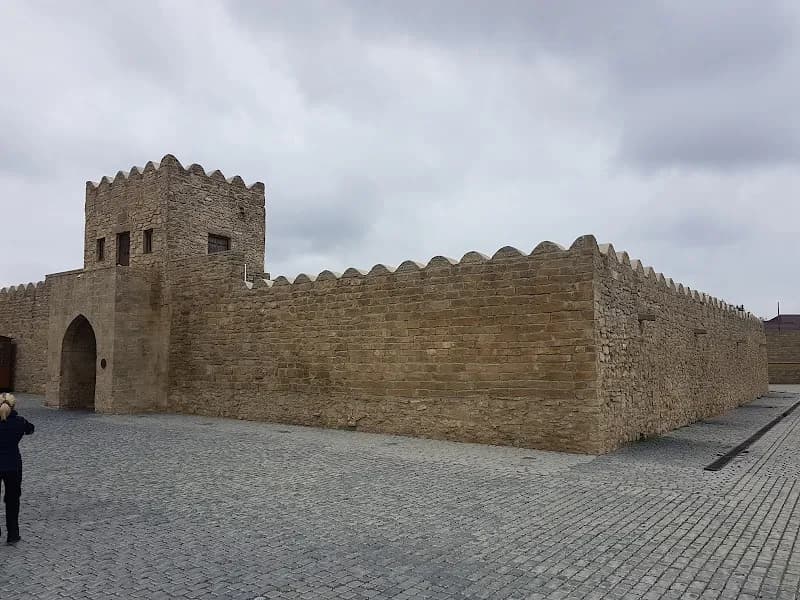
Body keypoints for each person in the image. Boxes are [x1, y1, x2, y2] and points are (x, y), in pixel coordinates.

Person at [0, 393, 35, 546]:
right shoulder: (19, 422)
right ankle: (13, 533)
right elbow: (30, 429)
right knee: (13, 500)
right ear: (13, 406)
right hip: (13, 465)